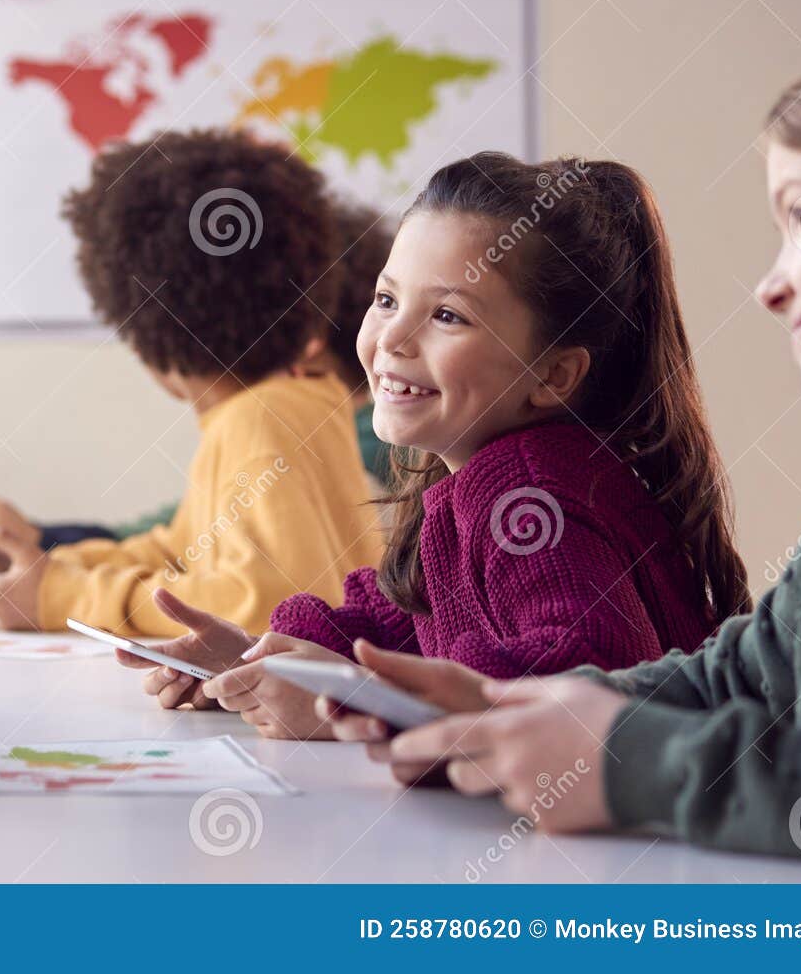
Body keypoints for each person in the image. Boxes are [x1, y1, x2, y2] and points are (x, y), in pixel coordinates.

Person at [321, 41, 801, 862]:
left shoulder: (533, 481)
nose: (770, 284)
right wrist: (506, 706)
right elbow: (743, 676)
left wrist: (624, 758)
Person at [124, 153, 747, 740]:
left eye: (447, 316)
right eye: (387, 299)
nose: (392, 336)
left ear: (554, 376)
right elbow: (407, 624)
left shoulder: (530, 495)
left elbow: (580, 686)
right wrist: (258, 659)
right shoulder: (491, 480)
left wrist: (342, 704)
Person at [0, 129, 385, 635]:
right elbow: (184, 550)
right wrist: (56, 567)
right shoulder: (305, 400)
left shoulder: (255, 423)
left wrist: (58, 595)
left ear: (142, 337)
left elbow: (267, 603)